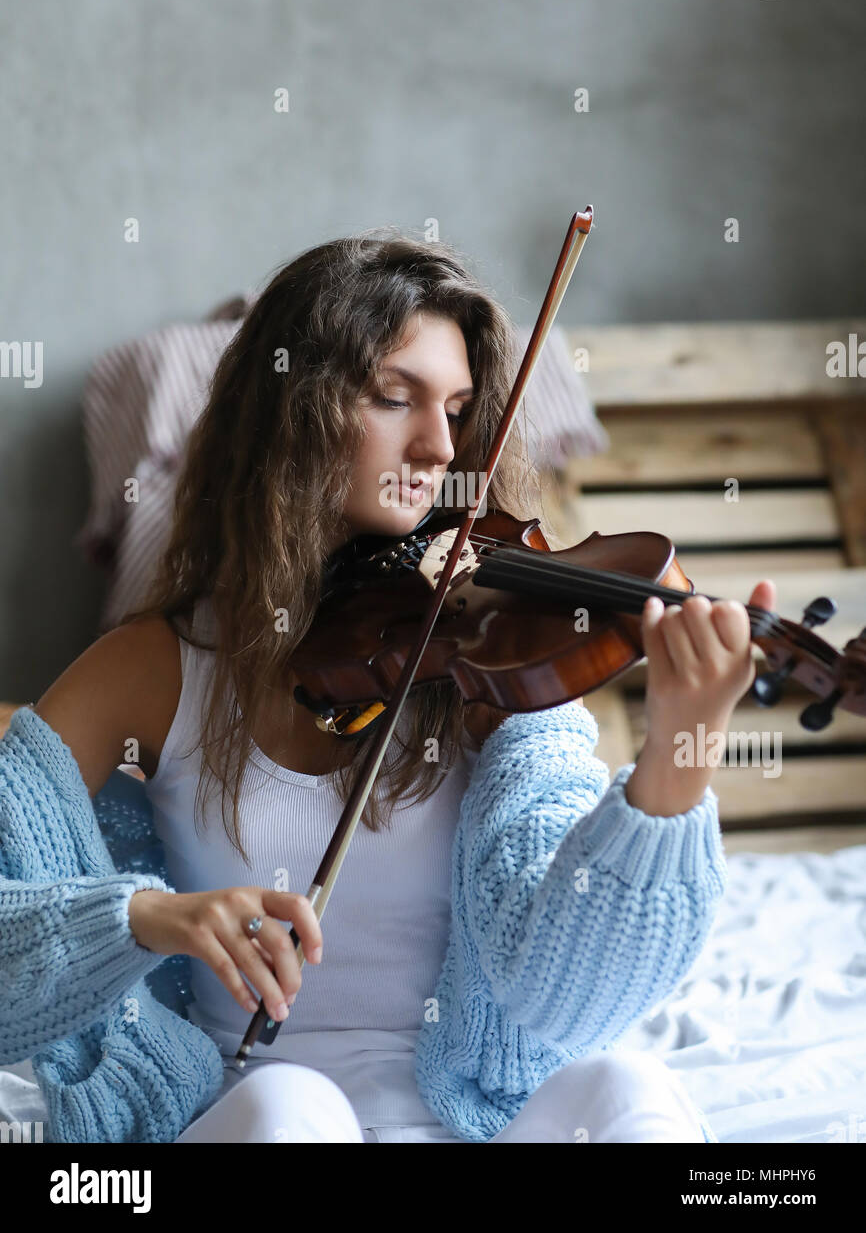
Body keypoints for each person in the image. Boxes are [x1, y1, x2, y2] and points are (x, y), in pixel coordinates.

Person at [17, 232, 775, 1142]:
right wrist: (149, 917)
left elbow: (564, 998)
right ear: (290, 411)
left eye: (458, 408)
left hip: (476, 1122)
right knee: (293, 1108)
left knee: (627, 1089)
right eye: (393, 398)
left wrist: (673, 765)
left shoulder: (493, 657)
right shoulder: (157, 665)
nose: (439, 446)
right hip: (258, 1113)